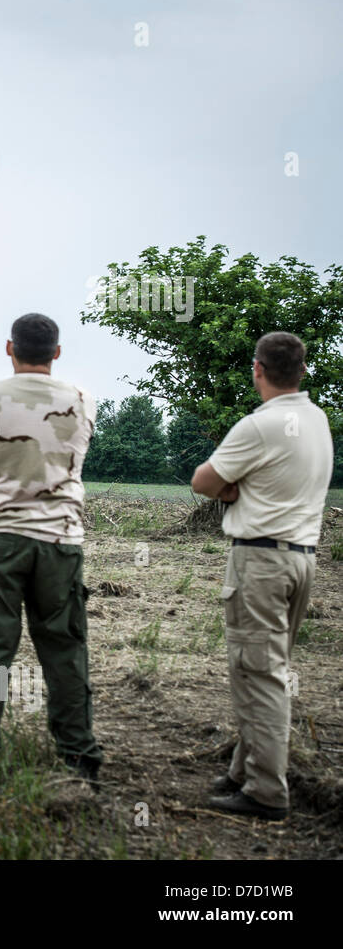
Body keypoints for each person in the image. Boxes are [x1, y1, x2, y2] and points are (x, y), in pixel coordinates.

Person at [0, 313, 102, 787]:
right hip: (60, 543)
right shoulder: (80, 400)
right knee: (65, 651)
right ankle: (79, 757)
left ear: (9, 348)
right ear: (56, 352)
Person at [190, 331, 332, 820]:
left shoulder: (260, 426)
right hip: (302, 557)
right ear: (303, 370)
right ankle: (242, 769)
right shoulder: (316, 420)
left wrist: (235, 493)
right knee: (266, 667)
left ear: (257, 369)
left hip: (261, 561)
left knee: (258, 673)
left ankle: (266, 791)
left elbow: (203, 482)